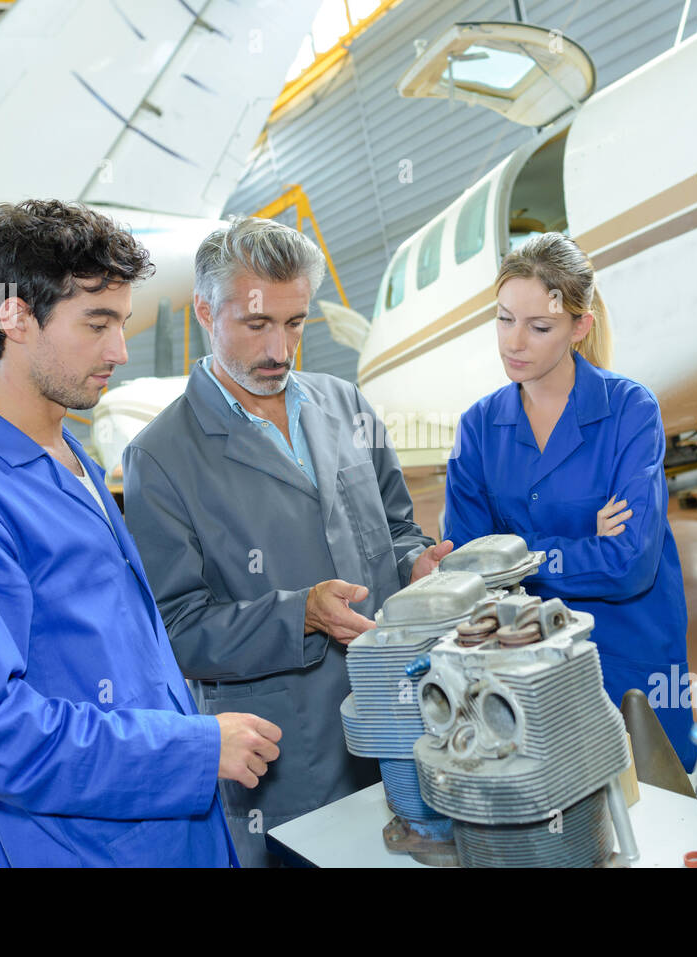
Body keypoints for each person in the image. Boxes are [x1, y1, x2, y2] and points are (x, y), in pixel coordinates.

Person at [0, 200, 281, 867]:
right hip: (92, 848)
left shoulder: (70, 454)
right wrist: (192, 748)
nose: (119, 351)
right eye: (97, 324)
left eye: (120, 323)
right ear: (13, 316)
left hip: (182, 833)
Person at [122, 216, 451, 867]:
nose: (280, 347)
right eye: (256, 324)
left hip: (400, 721)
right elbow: (178, 628)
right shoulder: (161, 458)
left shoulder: (345, 404)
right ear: (204, 310)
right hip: (289, 758)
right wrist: (296, 613)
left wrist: (418, 562)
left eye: (295, 322)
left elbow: (396, 525)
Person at [443, 232, 697, 771]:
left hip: (631, 656)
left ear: (579, 327)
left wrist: (512, 559)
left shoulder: (630, 410)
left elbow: (630, 564)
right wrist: (586, 543)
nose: (514, 342)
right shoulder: (478, 428)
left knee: (663, 813)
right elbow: (465, 570)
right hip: (526, 662)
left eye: (539, 327)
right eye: (504, 318)